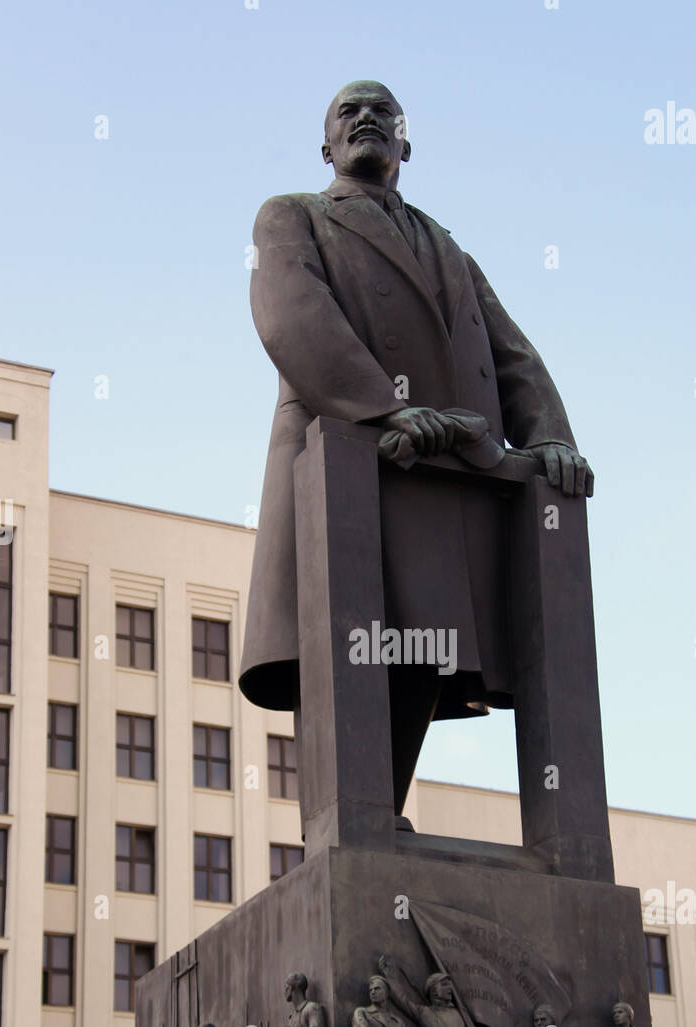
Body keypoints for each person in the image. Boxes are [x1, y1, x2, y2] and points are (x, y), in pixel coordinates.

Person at [240, 79, 594, 816]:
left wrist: (550, 438)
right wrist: (386, 409)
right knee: (347, 646)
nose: (366, 117)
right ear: (327, 145)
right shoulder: (292, 216)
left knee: (425, 645)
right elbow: (292, 317)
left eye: (383, 112)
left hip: (442, 478)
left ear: (406, 144)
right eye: (349, 111)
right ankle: (352, 827)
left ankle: (377, 821)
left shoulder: (451, 250)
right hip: (347, 459)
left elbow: (511, 355)